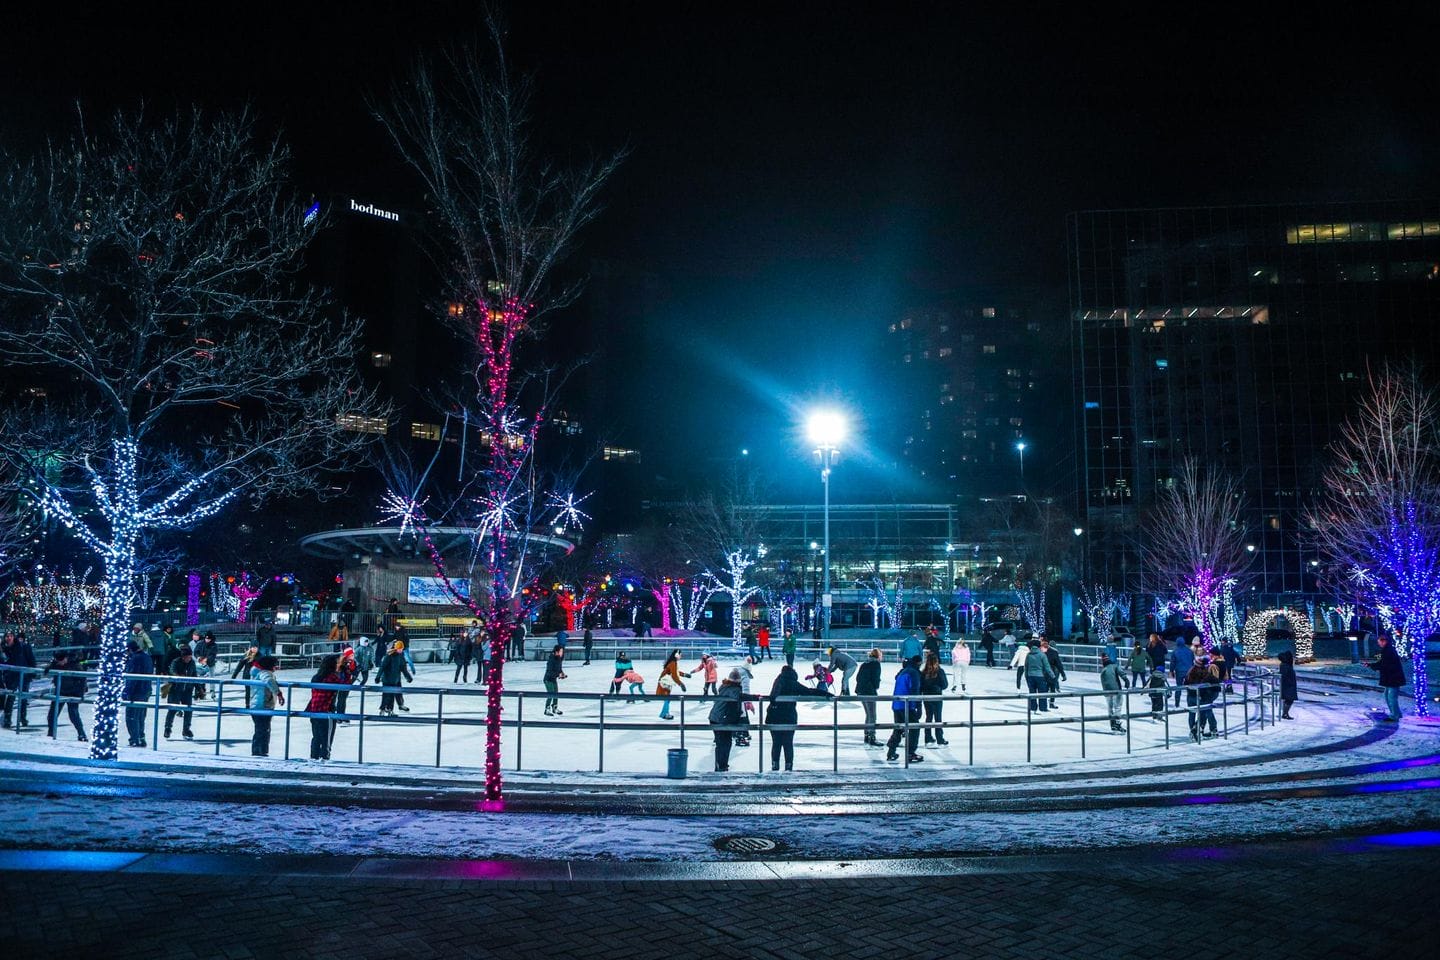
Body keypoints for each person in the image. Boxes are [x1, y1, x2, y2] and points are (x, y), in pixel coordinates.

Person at [764, 664, 828, 771]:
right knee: (788, 743)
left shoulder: (779, 680)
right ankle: (789, 766)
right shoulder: (794, 683)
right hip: (789, 716)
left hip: (774, 716)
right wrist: (824, 693)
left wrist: (774, 704)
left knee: (776, 743)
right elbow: (808, 691)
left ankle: (775, 766)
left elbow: (773, 695)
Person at [885, 655, 924, 763]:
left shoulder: (903, 672)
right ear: (919, 663)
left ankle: (891, 751)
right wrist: (917, 706)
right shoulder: (914, 673)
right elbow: (915, 690)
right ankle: (910, 753)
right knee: (914, 728)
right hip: (907, 705)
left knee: (899, 728)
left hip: (897, 704)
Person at [43, 650, 88, 741]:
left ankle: (82, 734)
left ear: (66, 658)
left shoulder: (75, 665)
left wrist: (80, 694)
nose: (60, 663)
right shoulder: (56, 663)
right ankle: (51, 733)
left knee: (73, 715)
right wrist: (48, 668)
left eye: (62, 661)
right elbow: (50, 667)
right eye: (58, 661)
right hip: (60, 691)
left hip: (73, 692)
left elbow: (83, 680)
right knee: (52, 714)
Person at [306, 654, 343, 760]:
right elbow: (346, 684)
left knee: (316, 737)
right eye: (338, 663)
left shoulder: (317, 677)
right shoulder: (332, 678)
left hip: (314, 710)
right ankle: (324, 758)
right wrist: (347, 671)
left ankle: (314, 757)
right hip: (326, 711)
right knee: (326, 739)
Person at [708, 668, 745, 771]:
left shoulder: (725, 686)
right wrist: (750, 697)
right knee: (724, 742)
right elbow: (736, 697)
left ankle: (721, 765)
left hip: (716, 717)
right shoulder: (733, 688)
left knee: (723, 742)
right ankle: (721, 765)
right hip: (722, 718)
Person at [247, 655, 283, 757]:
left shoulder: (257, 672)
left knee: (261, 729)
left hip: (257, 704)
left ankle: (260, 750)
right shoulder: (264, 673)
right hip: (263, 705)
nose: (276, 667)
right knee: (263, 729)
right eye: (275, 665)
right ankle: (260, 751)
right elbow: (268, 680)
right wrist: (278, 693)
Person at [1, 630, 37, 728]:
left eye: (10, 636)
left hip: (24, 675)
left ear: (14, 637)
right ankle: (8, 718)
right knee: (11, 697)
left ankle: (22, 717)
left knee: (23, 697)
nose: (8, 638)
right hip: (11, 676)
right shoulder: (4, 648)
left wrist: (32, 673)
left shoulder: (23, 647)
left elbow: (31, 660)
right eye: (7, 636)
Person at [123, 640, 154, 748]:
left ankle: (134, 739)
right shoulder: (147, 657)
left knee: (131, 717)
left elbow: (132, 677)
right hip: (146, 689)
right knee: (141, 716)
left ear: (130, 649)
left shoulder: (134, 659)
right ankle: (141, 737)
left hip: (136, 691)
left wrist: (127, 692)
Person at [1367, 634, 1405, 722]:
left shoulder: (1388, 651)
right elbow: (1383, 663)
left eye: (1379, 642)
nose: (1379, 644)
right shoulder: (1387, 650)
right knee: (1388, 696)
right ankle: (1396, 713)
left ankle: (1394, 715)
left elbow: (1384, 664)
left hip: (1393, 678)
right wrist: (1371, 665)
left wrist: (1372, 666)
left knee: (1391, 697)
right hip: (1391, 677)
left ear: (1384, 641)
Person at [164, 645, 198, 740]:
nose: (189, 658)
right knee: (172, 709)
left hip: (187, 690)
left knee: (188, 710)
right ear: (183, 657)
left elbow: (194, 675)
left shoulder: (192, 663)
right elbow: (172, 671)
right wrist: (179, 676)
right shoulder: (176, 662)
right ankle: (168, 728)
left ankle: (186, 729)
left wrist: (199, 688)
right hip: (175, 689)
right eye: (188, 657)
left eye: (190, 657)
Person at [1186, 655, 1220, 741]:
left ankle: (1194, 731)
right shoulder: (1206, 674)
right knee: (1205, 712)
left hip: (1191, 696)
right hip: (1201, 697)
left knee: (1192, 714)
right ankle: (1206, 729)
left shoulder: (1190, 673)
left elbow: (1185, 683)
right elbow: (1216, 682)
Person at [919, 651, 949, 746]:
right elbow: (945, 685)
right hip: (936, 696)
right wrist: (938, 687)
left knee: (928, 717)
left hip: (927, 697)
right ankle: (939, 738)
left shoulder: (923, 672)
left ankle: (928, 738)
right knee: (938, 718)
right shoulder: (940, 671)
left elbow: (921, 686)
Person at [375, 641, 413, 716]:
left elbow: (403, 668)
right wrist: (378, 677)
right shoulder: (389, 655)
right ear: (396, 648)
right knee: (386, 695)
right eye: (400, 648)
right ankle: (382, 710)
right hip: (387, 679)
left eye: (402, 648)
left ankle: (390, 710)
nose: (401, 650)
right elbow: (382, 667)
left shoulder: (401, 656)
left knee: (392, 695)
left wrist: (408, 677)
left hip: (395, 679)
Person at [856, 648, 883, 745]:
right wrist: (875, 686)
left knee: (868, 714)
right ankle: (872, 736)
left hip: (861, 691)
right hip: (869, 691)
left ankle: (867, 735)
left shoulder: (865, 663)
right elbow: (876, 679)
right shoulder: (875, 664)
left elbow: (858, 677)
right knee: (872, 715)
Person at [656, 649, 689, 720]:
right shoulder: (673, 663)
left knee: (667, 699)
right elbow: (674, 675)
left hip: (666, 683)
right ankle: (664, 714)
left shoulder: (673, 663)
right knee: (667, 699)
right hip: (664, 683)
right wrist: (681, 684)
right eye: (680, 655)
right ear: (676, 655)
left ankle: (664, 713)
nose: (681, 656)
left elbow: (676, 672)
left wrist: (684, 674)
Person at [1024, 640, 1056, 712]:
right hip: (1040, 676)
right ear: (1039, 646)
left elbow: (1026, 666)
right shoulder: (1042, 655)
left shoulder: (1029, 655)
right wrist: (1053, 676)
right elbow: (1047, 667)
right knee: (1042, 692)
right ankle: (1043, 707)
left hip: (1030, 676)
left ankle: (1033, 707)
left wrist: (1026, 676)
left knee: (1032, 692)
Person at [1098, 653, 1125, 732]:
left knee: (1110, 708)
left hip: (1107, 692)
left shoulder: (1103, 671)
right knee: (1118, 707)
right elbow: (1121, 672)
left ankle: (1112, 724)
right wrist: (1125, 679)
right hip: (1116, 690)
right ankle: (1117, 723)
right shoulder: (1114, 666)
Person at [734, 656, 755, 746]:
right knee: (742, 715)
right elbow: (746, 689)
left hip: (733, 696)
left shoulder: (737, 670)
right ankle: (741, 734)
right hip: (740, 697)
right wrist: (748, 702)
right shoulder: (745, 675)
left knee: (741, 715)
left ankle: (744, 733)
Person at [1041, 638, 1067, 709]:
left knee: (1044, 689)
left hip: (1043, 673)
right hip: (1051, 673)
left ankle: (1043, 705)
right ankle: (1051, 703)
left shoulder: (1041, 651)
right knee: (1052, 689)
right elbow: (1059, 664)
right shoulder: (1054, 652)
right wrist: (1063, 674)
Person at [334, 647, 358, 723]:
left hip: (348, 684)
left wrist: (355, 673)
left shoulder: (353, 663)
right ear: (347, 656)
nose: (353, 656)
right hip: (342, 684)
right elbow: (339, 674)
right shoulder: (342, 663)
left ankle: (342, 715)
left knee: (343, 700)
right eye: (351, 655)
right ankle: (339, 716)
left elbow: (354, 673)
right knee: (341, 700)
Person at [1171, 637, 1196, 708]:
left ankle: (1177, 703)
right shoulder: (1189, 651)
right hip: (1189, 672)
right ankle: (1190, 702)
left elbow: (1173, 662)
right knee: (1189, 687)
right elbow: (1192, 661)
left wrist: (1171, 671)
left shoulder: (1175, 651)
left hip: (1179, 671)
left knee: (1178, 687)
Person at [543, 645, 567, 716]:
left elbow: (559, 668)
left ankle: (554, 707)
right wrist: (558, 674)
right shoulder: (551, 659)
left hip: (553, 679)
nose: (562, 653)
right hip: (548, 679)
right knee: (551, 693)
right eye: (561, 651)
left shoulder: (559, 658)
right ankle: (547, 709)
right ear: (556, 651)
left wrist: (562, 673)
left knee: (556, 693)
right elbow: (550, 671)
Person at [1277, 649, 1297, 719]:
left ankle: (1285, 713)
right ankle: (1285, 714)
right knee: (1289, 699)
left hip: (1288, 685)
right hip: (1288, 685)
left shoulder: (1285, 665)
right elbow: (1284, 675)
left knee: (1288, 700)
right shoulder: (1285, 665)